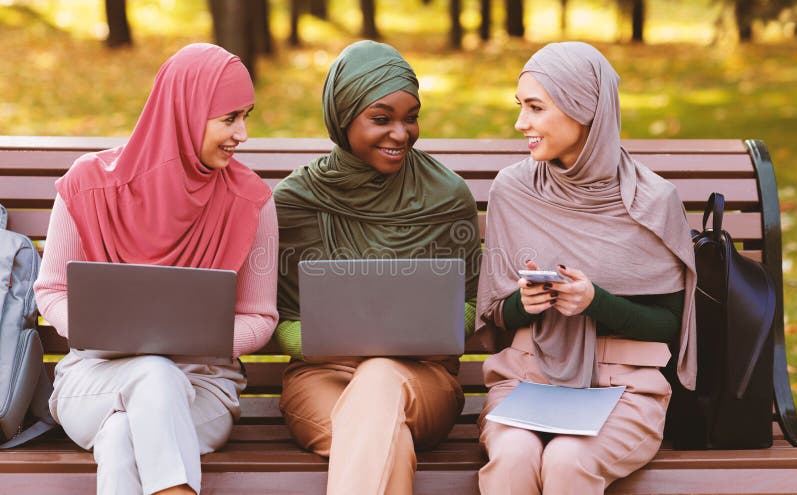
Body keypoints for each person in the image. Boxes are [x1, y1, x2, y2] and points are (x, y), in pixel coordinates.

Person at [33, 43, 278, 495]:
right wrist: (94, 329)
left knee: (123, 438)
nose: (242, 134)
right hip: (97, 379)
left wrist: (196, 340)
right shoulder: (89, 182)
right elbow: (51, 290)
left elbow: (261, 317)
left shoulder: (251, 201)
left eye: (247, 116)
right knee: (152, 373)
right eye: (229, 118)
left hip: (201, 390)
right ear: (183, 112)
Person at [474, 41, 697, 495]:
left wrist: (598, 303)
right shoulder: (513, 191)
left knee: (568, 461)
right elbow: (496, 314)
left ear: (585, 109)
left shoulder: (652, 202)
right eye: (521, 107)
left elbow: (671, 324)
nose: (521, 123)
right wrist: (526, 304)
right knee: (513, 458)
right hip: (526, 377)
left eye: (536, 108)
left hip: (624, 388)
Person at [272, 40, 481, 495]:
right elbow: (279, 323)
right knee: (383, 438)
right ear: (342, 118)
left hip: (423, 381)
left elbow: (470, 308)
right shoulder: (294, 202)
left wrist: (392, 344)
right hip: (322, 378)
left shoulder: (446, 197)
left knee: (381, 377)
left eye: (411, 117)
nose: (402, 134)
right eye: (382, 119)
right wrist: (346, 347)